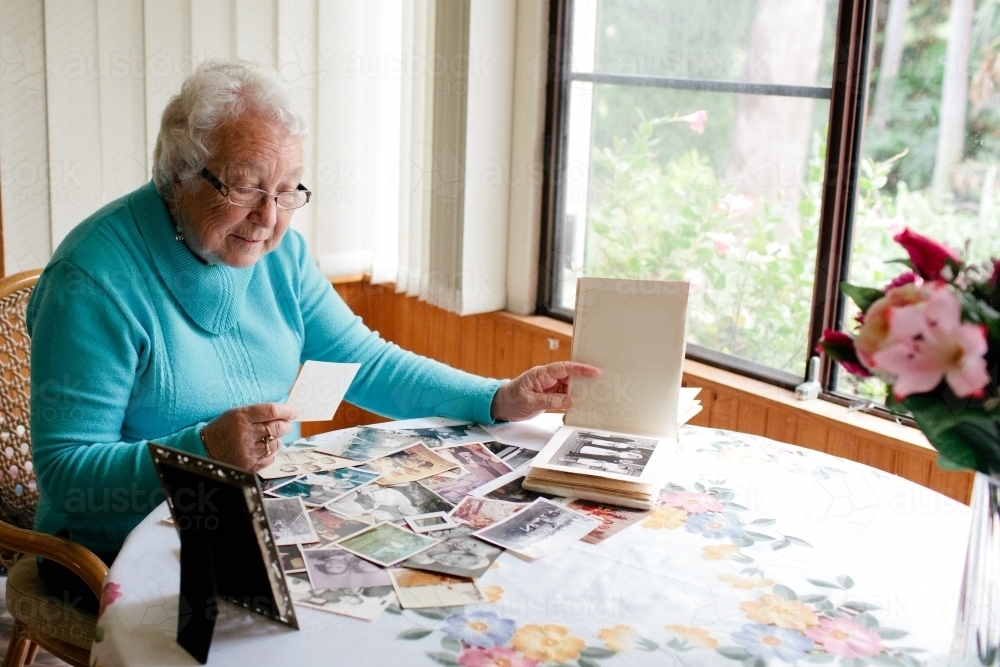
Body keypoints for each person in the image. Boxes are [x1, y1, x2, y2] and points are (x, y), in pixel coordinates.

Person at [28, 59, 600, 608]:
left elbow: (363, 362)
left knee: (439, 586)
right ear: (177, 177)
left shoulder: (279, 256)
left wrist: (497, 397)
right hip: (117, 549)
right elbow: (68, 472)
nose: (268, 217)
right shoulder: (93, 282)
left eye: (288, 190)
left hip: (264, 517)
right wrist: (201, 454)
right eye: (245, 188)